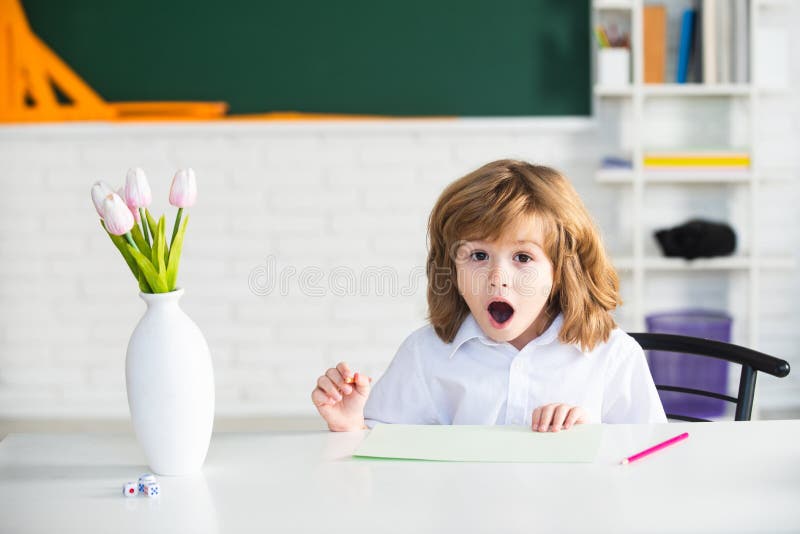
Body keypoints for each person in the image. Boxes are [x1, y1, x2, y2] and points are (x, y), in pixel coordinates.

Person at [311, 159, 667, 432]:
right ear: (452, 268)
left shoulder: (612, 356)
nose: (498, 279)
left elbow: (651, 461)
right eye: (479, 256)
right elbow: (380, 465)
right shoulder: (425, 355)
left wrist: (593, 438)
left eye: (523, 258)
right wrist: (351, 427)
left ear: (561, 270)